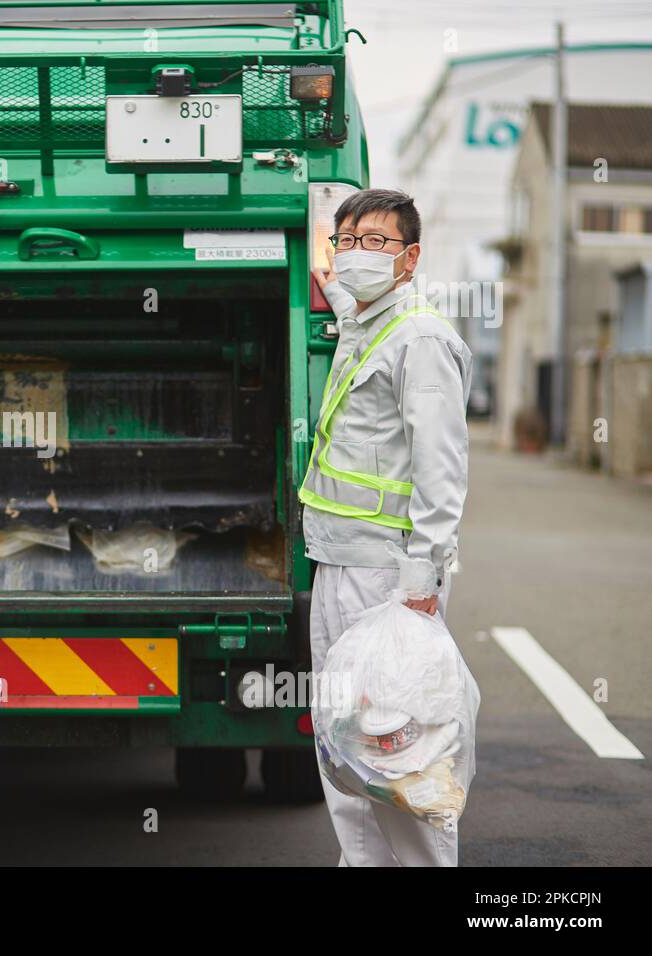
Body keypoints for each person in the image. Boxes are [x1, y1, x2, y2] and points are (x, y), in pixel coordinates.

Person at [300, 188, 473, 866]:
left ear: (411, 259)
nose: (360, 253)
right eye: (349, 241)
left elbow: (442, 467)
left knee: (403, 748)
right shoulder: (367, 324)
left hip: (387, 574)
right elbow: (348, 310)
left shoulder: (421, 339)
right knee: (346, 743)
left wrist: (421, 576)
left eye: (378, 241)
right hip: (338, 561)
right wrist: (333, 285)